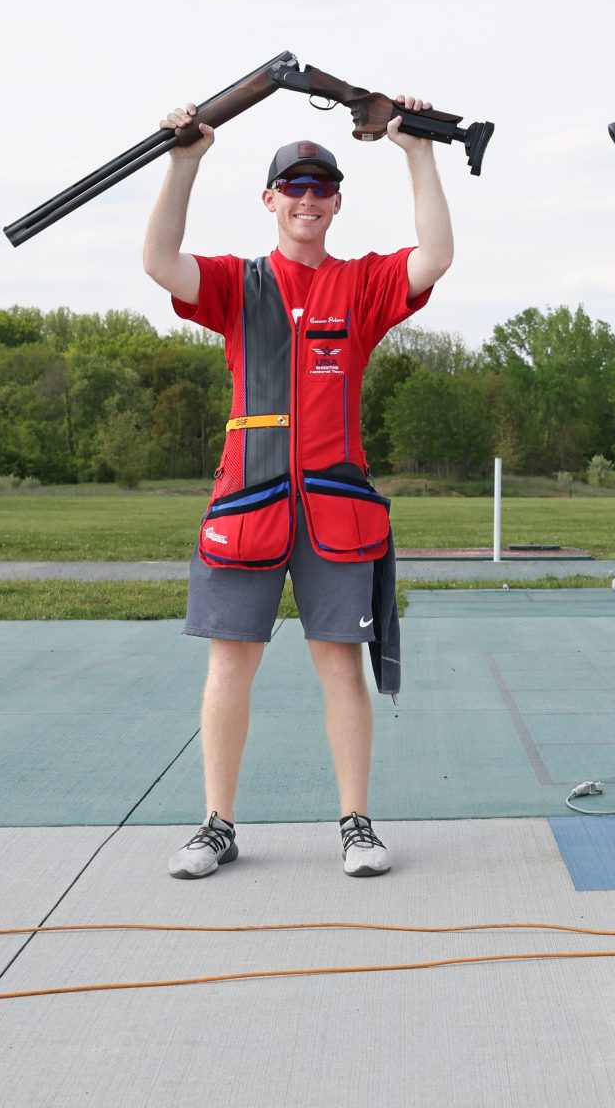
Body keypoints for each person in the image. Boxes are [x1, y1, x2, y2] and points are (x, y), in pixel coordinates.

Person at [143, 96, 454, 879]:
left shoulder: (362, 285)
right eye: (293, 187)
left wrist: (418, 151)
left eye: (320, 187)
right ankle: (217, 824)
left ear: (337, 199)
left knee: (340, 664)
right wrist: (184, 162)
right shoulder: (237, 284)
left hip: (336, 513)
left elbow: (435, 256)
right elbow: (159, 262)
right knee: (229, 666)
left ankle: (355, 823)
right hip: (246, 508)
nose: (307, 199)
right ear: (271, 199)